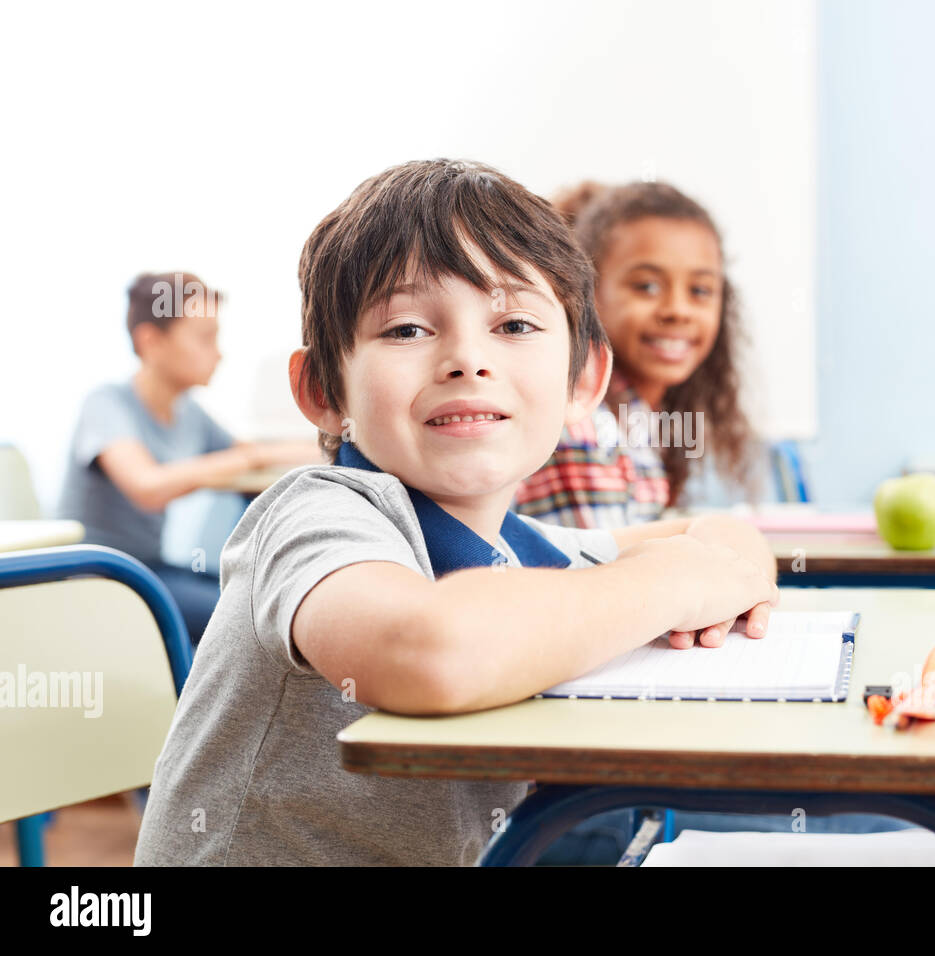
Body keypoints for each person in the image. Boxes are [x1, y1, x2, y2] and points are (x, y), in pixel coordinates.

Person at [132, 159, 778, 866]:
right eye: (407, 329)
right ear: (323, 389)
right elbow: (429, 654)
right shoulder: (316, 514)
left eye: (515, 323)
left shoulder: (506, 540)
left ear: (582, 380)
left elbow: (714, 538)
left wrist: (718, 556)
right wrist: (679, 583)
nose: (467, 359)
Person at [57, 273, 319, 644]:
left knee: (259, 591)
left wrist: (336, 448)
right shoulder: (106, 403)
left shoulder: (189, 414)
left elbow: (248, 455)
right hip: (102, 577)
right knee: (248, 613)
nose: (219, 352)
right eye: (204, 338)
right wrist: (247, 459)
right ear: (150, 341)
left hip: (151, 568)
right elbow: (147, 487)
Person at [514, 181, 763, 528]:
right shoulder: (582, 430)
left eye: (700, 290)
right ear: (587, 292)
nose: (678, 310)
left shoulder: (638, 422)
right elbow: (601, 578)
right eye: (647, 286)